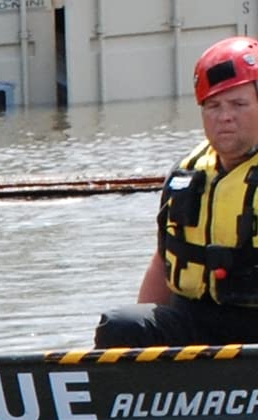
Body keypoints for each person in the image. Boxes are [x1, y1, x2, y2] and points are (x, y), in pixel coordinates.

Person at [99, 34, 258, 348]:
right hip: (197, 321)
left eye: (239, 104)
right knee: (122, 325)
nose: (225, 116)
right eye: (213, 105)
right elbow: (165, 258)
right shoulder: (187, 174)